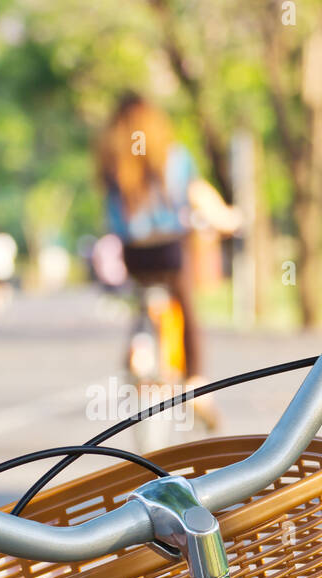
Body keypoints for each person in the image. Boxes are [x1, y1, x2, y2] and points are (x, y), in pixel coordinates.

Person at [95, 94, 239, 424]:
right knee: (186, 308)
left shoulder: (112, 160)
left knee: (141, 302)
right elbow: (200, 196)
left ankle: (139, 348)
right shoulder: (172, 156)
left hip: (134, 253)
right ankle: (195, 381)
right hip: (169, 250)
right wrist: (229, 219)